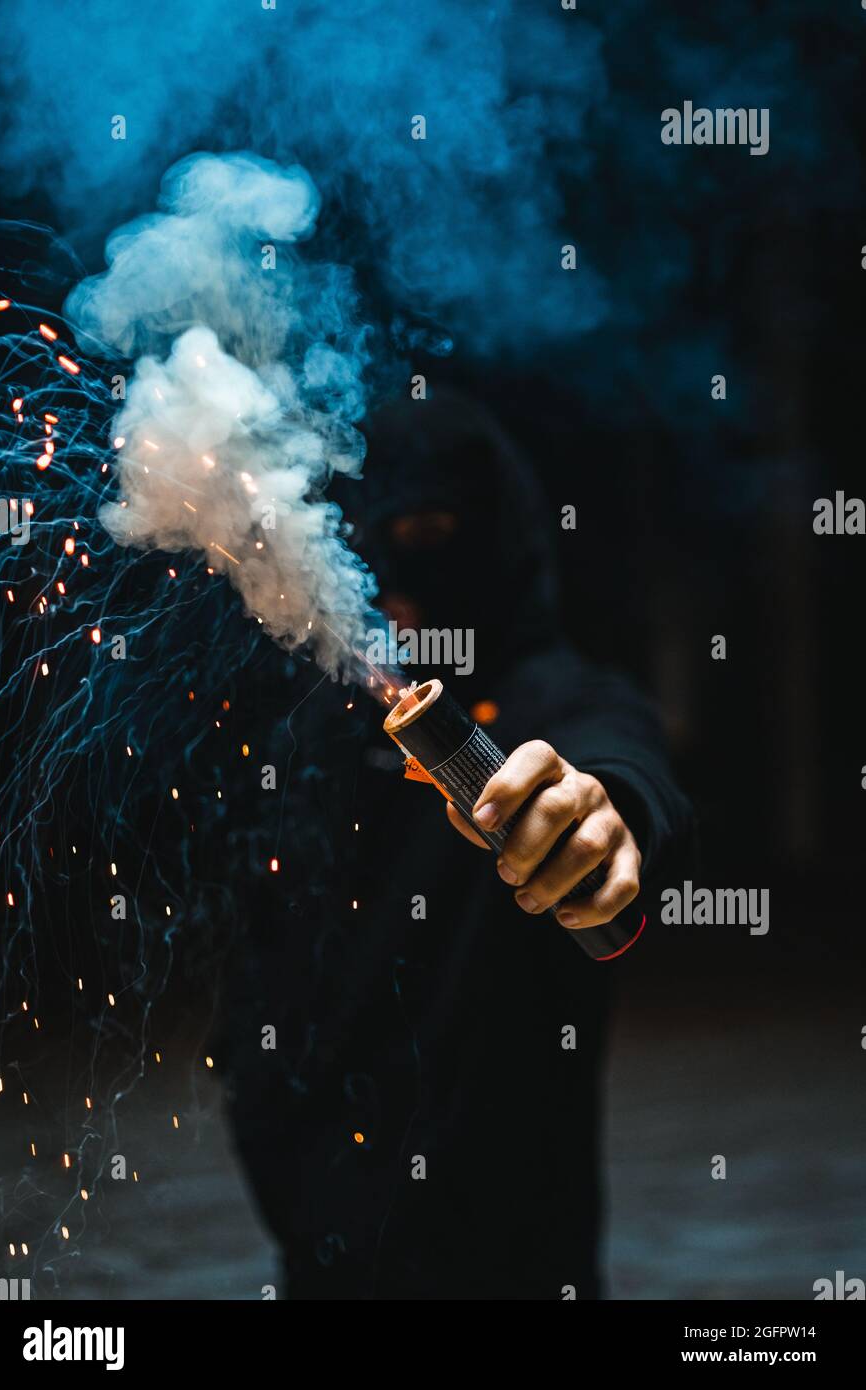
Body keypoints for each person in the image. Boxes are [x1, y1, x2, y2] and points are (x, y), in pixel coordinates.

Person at [222, 391, 694, 1299]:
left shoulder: (560, 697)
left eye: (430, 532)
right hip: (320, 1247)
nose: (397, 577)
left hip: (513, 1251)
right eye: (371, 540)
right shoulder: (303, 727)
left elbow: (619, 766)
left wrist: (606, 815)